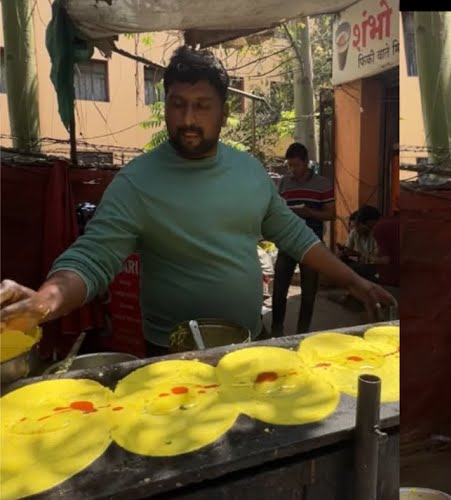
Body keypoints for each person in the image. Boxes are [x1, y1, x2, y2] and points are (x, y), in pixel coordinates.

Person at [0, 47, 393, 355]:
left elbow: (296, 236)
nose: (188, 118)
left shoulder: (250, 172)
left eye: (202, 106)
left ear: (223, 113)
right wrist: (45, 301)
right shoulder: (136, 182)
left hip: (248, 345)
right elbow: (92, 258)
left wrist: (354, 281)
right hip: (170, 355)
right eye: (177, 103)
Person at [272, 142, 335, 337]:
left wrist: (308, 212)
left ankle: (302, 334)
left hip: (311, 244)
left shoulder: (322, 184)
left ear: (307, 163)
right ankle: (276, 331)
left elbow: (330, 215)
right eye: (289, 165)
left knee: (308, 294)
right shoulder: (283, 183)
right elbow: (277, 209)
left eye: (296, 165)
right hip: (287, 242)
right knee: (278, 291)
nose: (292, 170)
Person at [341, 206, 385, 283]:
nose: (355, 228)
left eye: (357, 225)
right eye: (353, 226)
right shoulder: (354, 232)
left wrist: (359, 254)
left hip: (375, 269)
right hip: (363, 267)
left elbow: (380, 260)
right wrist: (344, 252)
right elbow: (348, 250)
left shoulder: (377, 233)